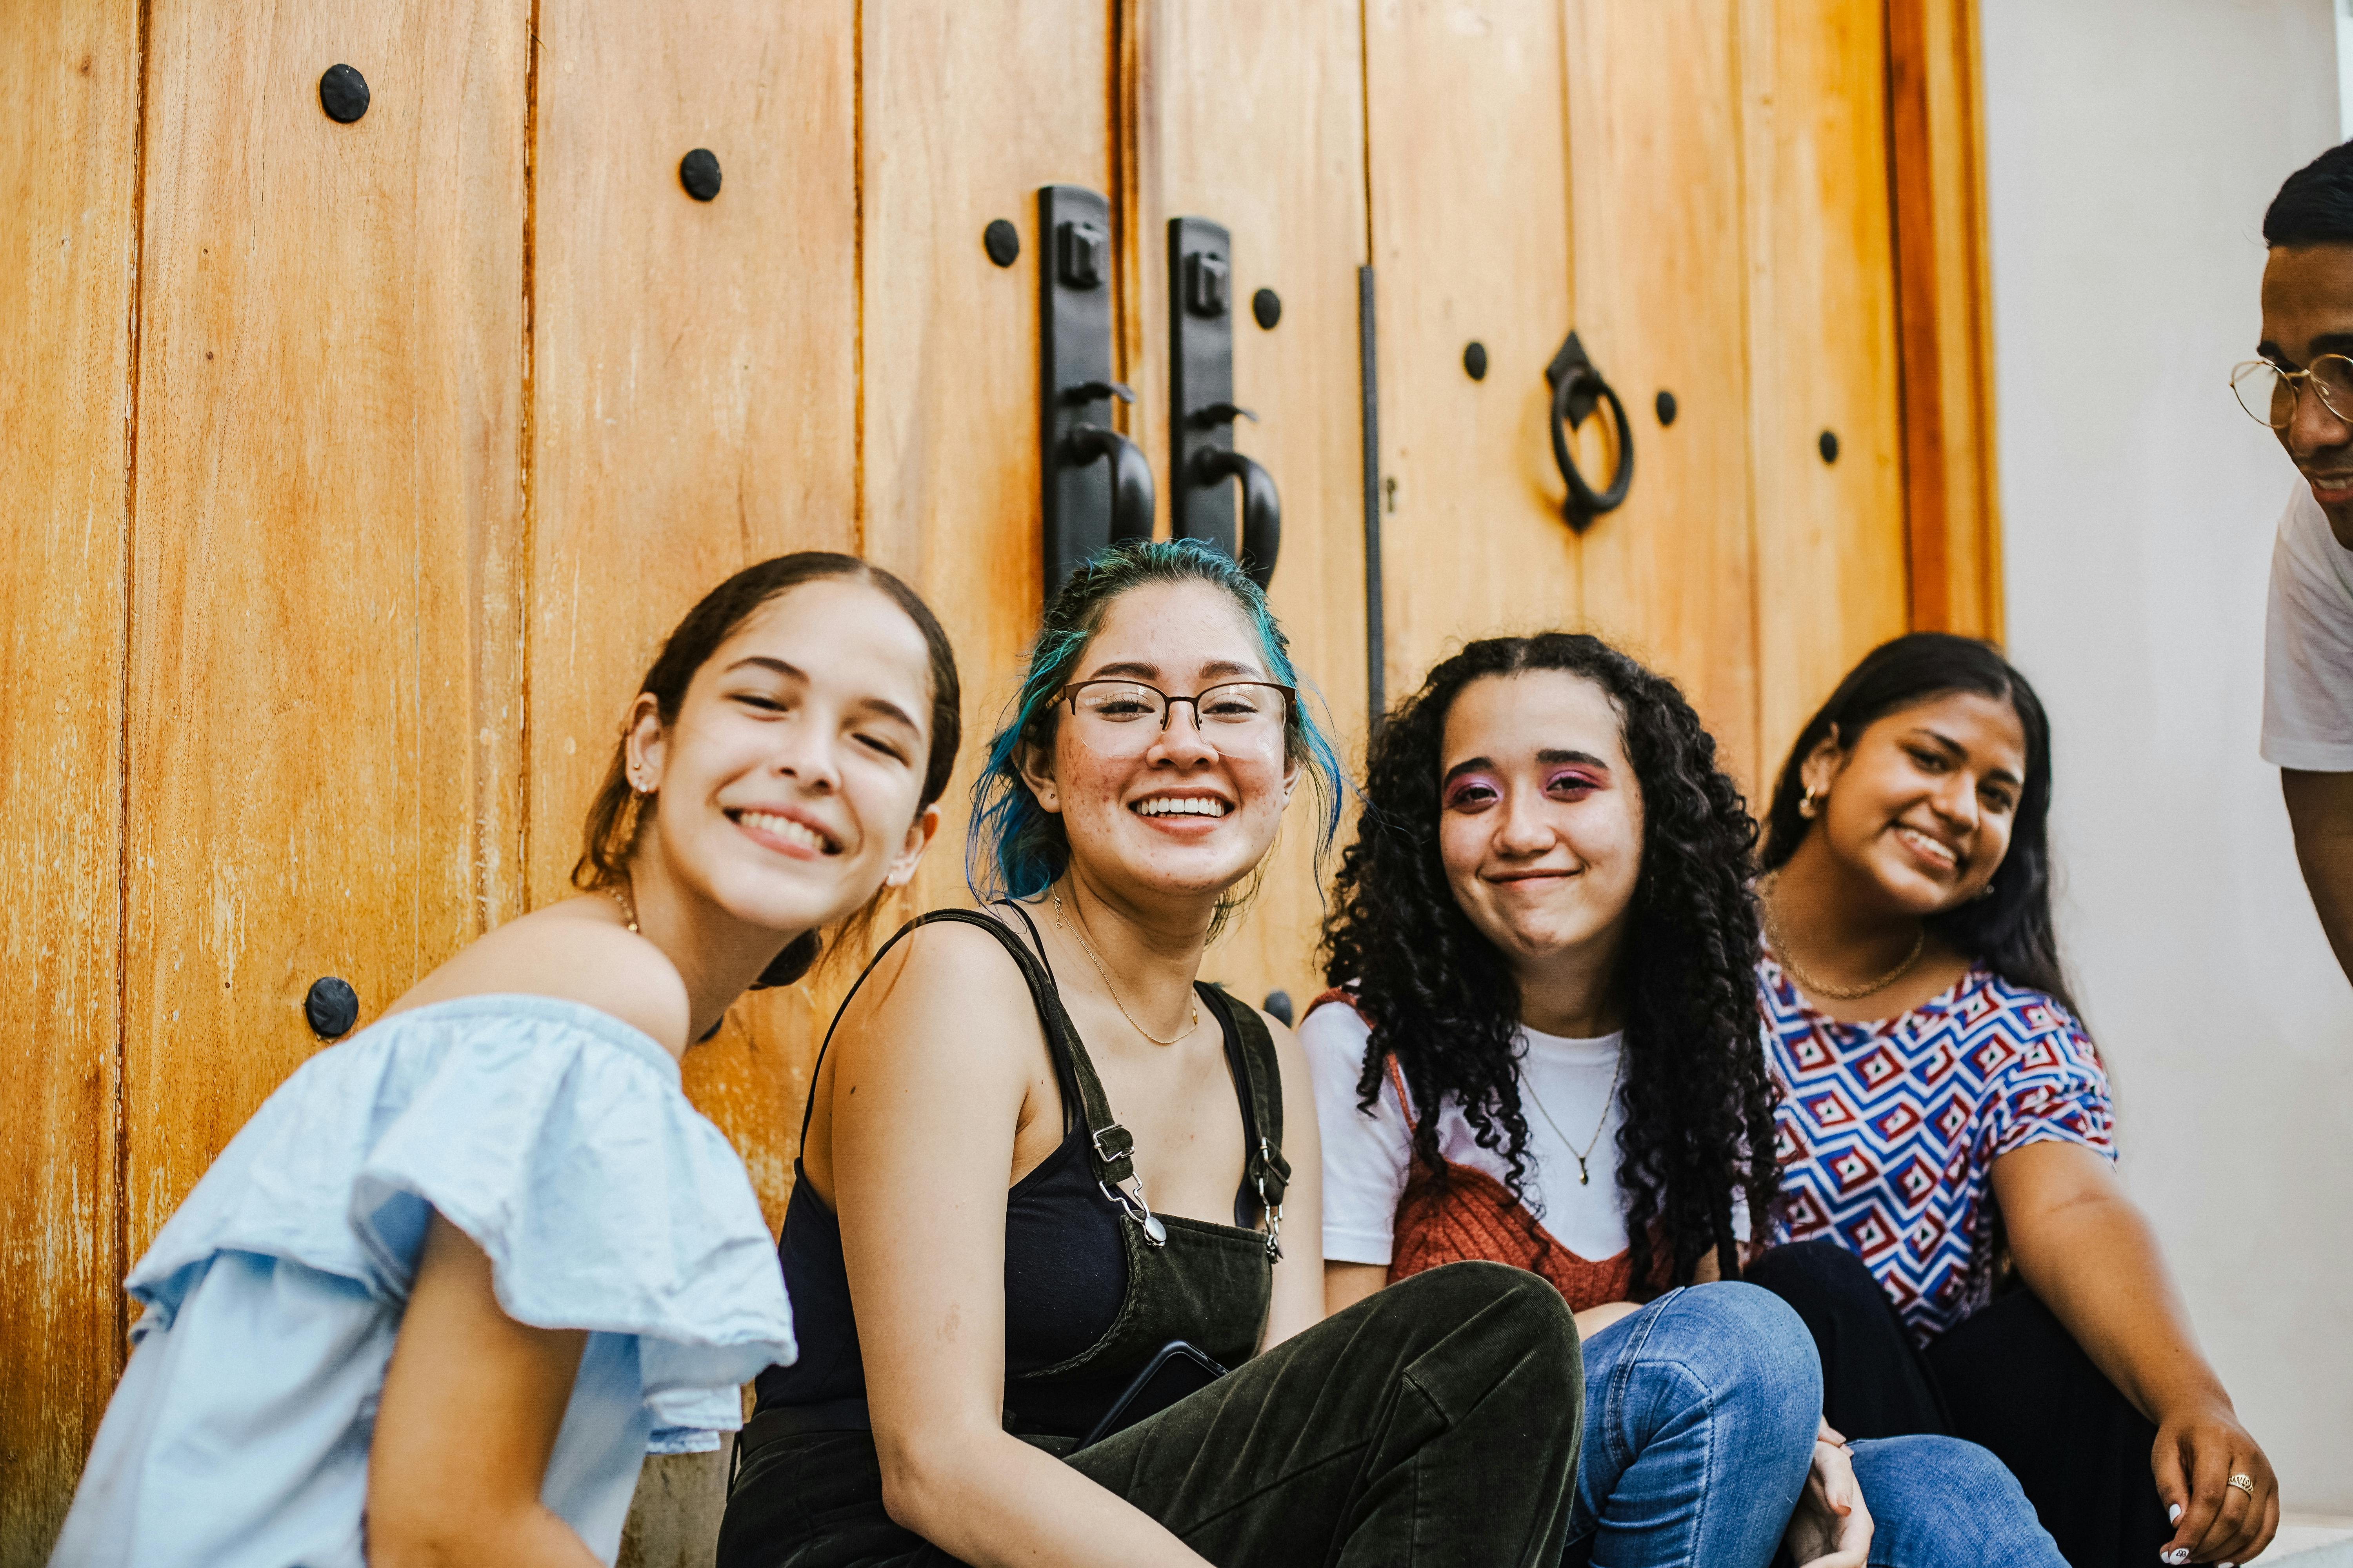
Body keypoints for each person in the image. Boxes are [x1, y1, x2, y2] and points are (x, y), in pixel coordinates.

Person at [51, 553, 963, 1568]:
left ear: (911, 843)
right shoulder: (606, 994)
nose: (813, 760)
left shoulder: (587, 989)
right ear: (651, 745)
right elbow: (444, 1532)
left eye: (875, 739)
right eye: (762, 701)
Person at [718, 540, 1588, 1568]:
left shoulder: (1267, 1060)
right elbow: (936, 1464)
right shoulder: (962, 984)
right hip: (888, 1545)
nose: (1185, 743)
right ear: (1043, 764)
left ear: (1286, 764)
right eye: (1127, 704)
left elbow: (1305, 1450)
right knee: (1482, 1334)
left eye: (1230, 706)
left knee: (1498, 1348)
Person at [1307, 631, 2062, 1568]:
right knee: (1742, 1337)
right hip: (1437, 1508)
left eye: (1569, 784)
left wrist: (1811, 1452)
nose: (1519, 830)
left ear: (1653, 813)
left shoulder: (1698, 1040)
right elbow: (1323, 1409)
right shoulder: (1366, 1047)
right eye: (1474, 794)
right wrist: (1613, 1326)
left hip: (1661, 1504)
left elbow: (1734, 1358)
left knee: (1950, 1486)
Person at [1746, 632, 2277, 1568]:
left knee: (2059, 1345)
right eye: (1930, 757)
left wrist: (2197, 1399)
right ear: (1827, 759)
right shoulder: (1685, 955)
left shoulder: (2009, 1024)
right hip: (1747, 1425)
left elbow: (2073, 1203)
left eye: (1998, 795)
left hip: (1935, 1434)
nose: (1959, 809)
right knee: (1802, 1291)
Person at [2239, 140, 2353, 985]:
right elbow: (2339, 819)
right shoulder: (2325, 538)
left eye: (2351, 368)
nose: (2310, 431)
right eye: (2287, 372)